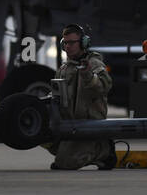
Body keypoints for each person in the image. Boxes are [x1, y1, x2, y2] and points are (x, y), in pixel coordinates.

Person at [49, 24, 116, 170]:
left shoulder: (94, 64)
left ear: (84, 43)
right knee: (40, 133)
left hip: (89, 126)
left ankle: (102, 151)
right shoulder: (64, 69)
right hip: (70, 125)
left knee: (64, 164)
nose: (68, 46)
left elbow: (104, 86)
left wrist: (88, 75)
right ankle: (71, 149)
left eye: (72, 42)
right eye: (65, 43)